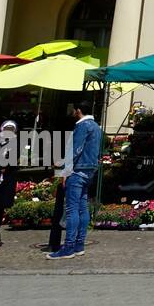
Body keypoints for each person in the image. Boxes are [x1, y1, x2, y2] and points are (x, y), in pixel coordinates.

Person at [48, 101, 101, 260]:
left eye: (74, 110)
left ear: (79, 111)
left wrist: (65, 171)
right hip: (89, 170)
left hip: (77, 171)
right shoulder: (96, 127)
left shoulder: (82, 126)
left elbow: (75, 150)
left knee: (72, 209)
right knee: (82, 208)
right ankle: (79, 245)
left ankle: (69, 247)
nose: (72, 112)